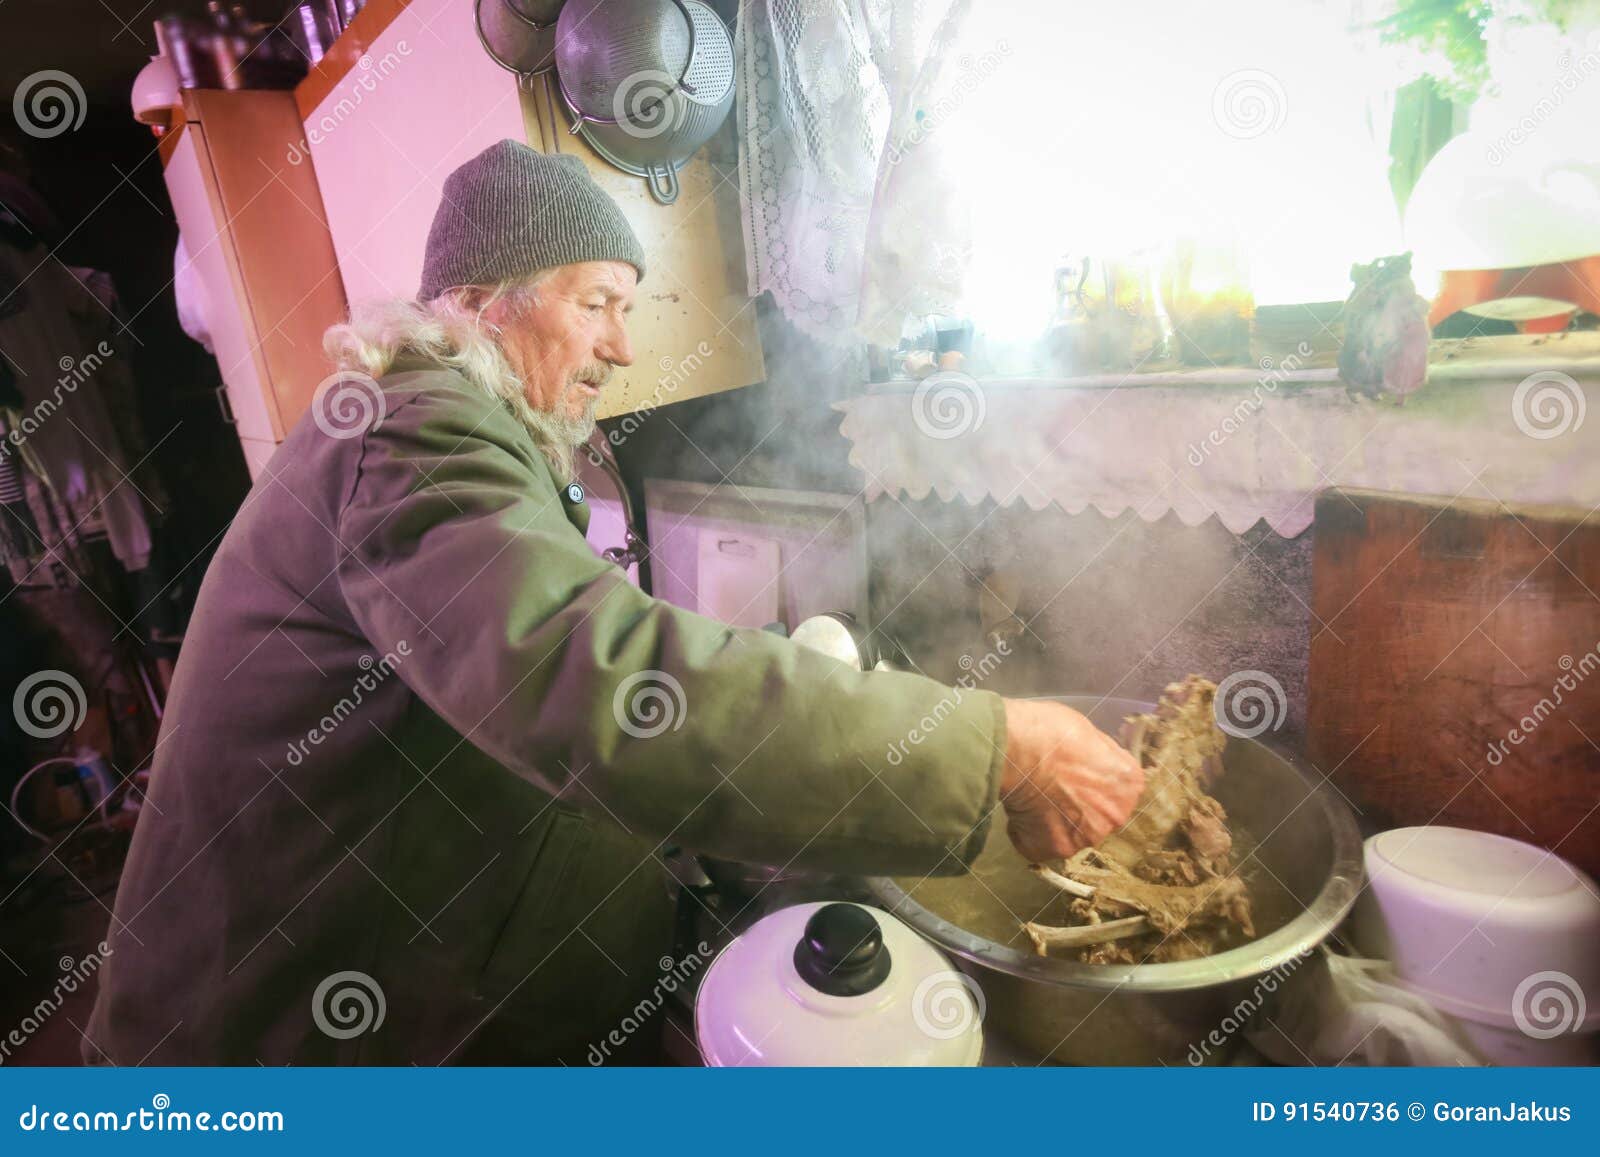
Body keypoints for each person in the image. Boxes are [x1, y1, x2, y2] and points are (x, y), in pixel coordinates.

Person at [85, 140, 1143, 1065]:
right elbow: (597, 674)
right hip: (265, 1046)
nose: (623, 347)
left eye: (628, 310)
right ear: (487, 297)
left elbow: (560, 652)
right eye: (596, 301)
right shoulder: (409, 441)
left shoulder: (450, 430)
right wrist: (997, 744)